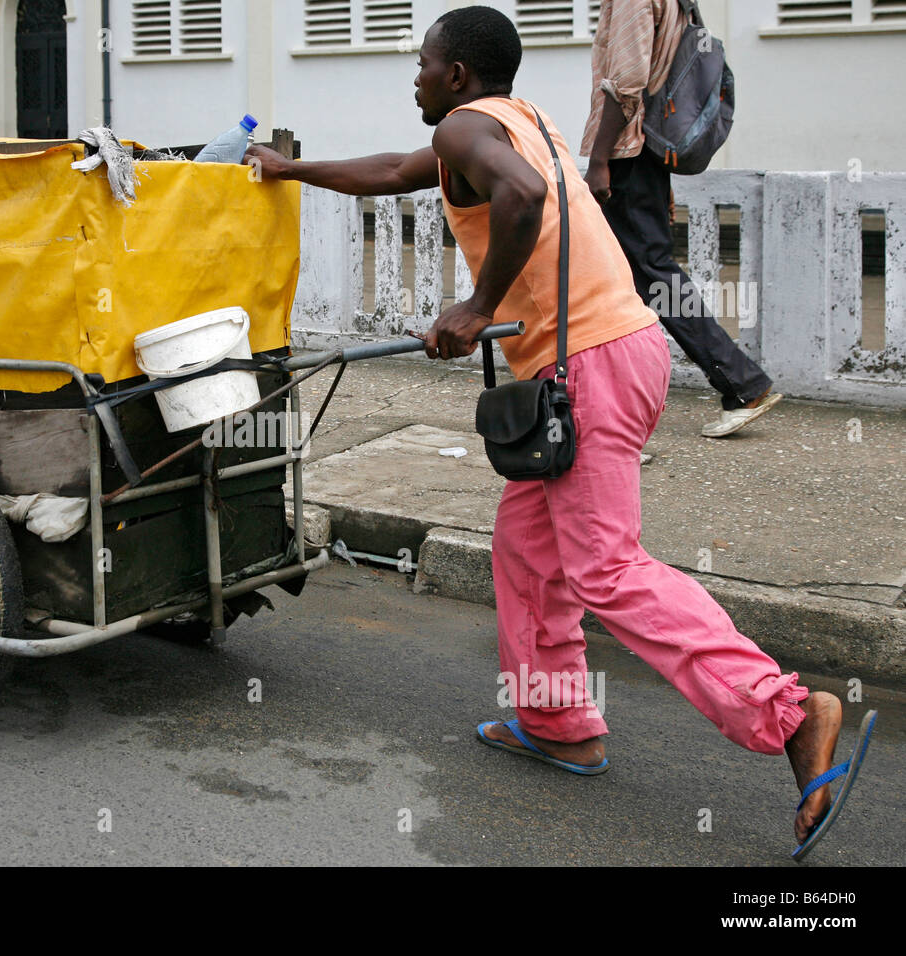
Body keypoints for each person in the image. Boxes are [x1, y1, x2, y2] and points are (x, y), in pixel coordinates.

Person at [245, 4, 854, 854]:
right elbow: (391, 169)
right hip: (615, 351)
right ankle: (557, 720)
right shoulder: (515, 118)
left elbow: (522, 196)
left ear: (456, 75)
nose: (414, 76)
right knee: (528, 551)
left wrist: (476, 306)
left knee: (606, 567)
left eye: (422, 63)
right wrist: (290, 168)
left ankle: (788, 714)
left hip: (590, 365)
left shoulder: (465, 129)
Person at [582, 0, 780, 438]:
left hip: (626, 155)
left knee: (652, 275)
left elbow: (628, 83)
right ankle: (617, 387)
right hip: (644, 155)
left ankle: (741, 382)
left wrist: (599, 160)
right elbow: (662, 77)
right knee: (629, 277)